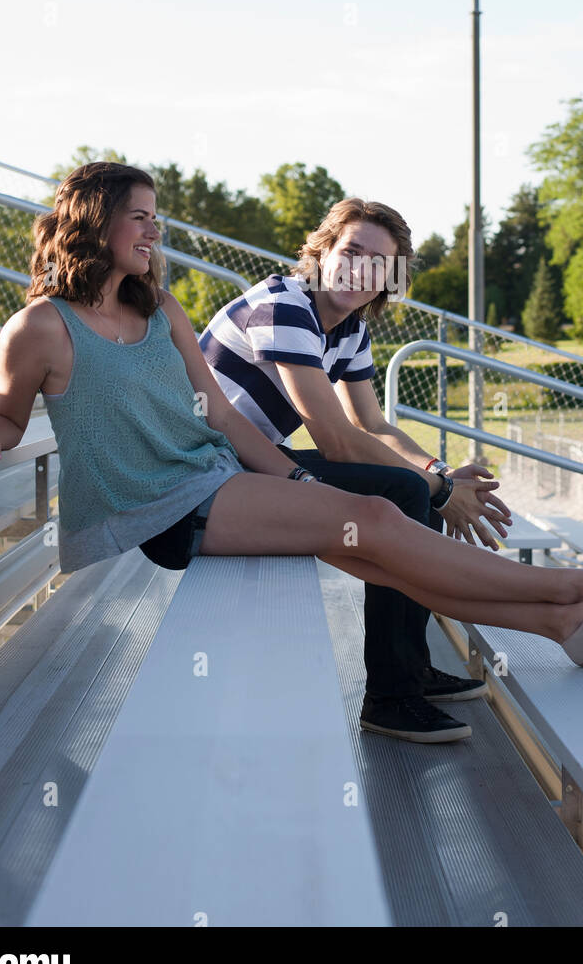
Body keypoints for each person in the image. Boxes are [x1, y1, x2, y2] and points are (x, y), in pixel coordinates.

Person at [0, 162, 583, 686]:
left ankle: (562, 623)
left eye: (156, 217)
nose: (154, 229)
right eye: (141, 215)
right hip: (159, 508)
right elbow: (8, 416)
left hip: (218, 478)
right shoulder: (38, 326)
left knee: (382, 546)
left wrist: (296, 476)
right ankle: (581, 585)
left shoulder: (159, 309)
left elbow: (224, 414)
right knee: (378, 520)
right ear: (93, 221)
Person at [198, 195, 514, 744]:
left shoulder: (349, 330)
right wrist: (437, 491)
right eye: (350, 251)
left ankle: (407, 670)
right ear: (322, 253)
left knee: (407, 488)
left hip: (247, 464)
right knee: (401, 491)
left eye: (376, 262)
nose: (358, 268)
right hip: (209, 474)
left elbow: (372, 424)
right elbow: (336, 440)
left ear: (389, 279)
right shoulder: (286, 304)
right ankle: (390, 696)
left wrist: (438, 472)